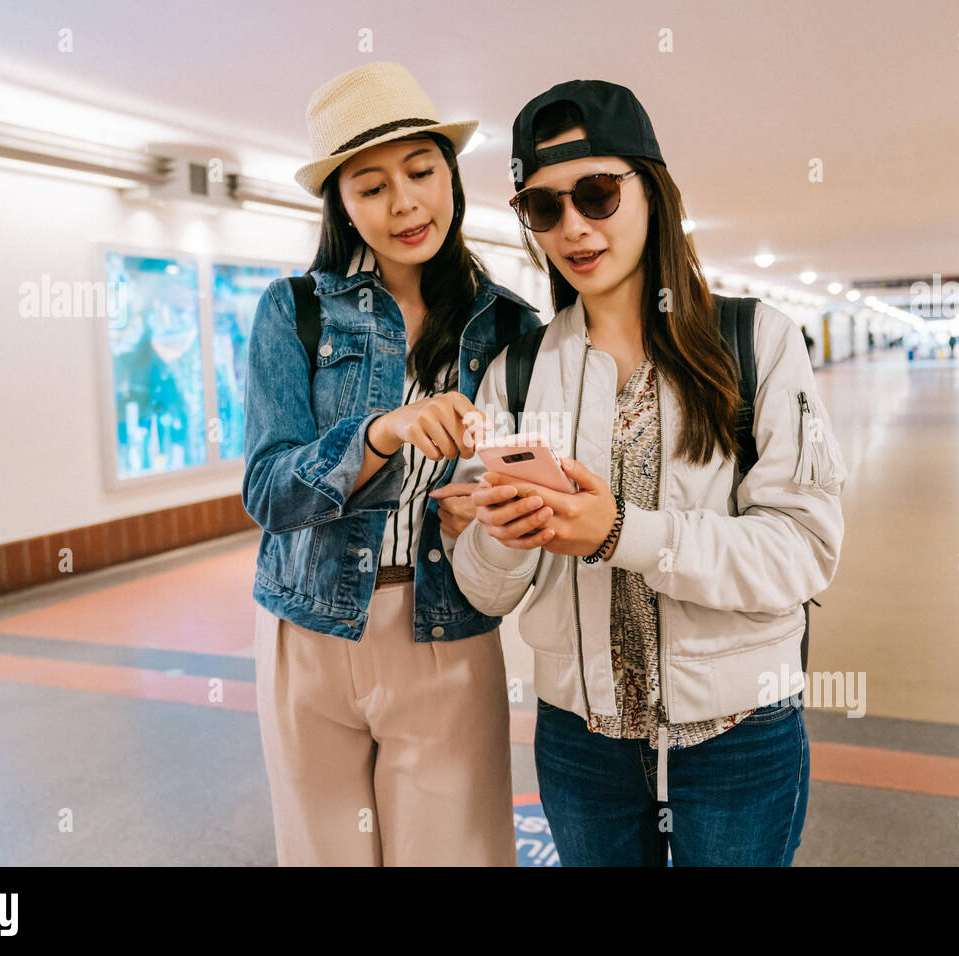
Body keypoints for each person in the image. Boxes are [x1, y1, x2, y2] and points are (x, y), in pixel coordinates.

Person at [439, 80, 847, 866]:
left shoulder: (755, 342)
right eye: (543, 208)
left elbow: (804, 551)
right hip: (581, 742)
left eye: (596, 193)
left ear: (652, 190)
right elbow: (486, 593)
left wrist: (622, 532)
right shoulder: (519, 375)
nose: (573, 227)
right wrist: (501, 537)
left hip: (738, 735)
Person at [242, 61, 542, 866]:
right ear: (341, 202)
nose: (405, 203)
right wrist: (381, 431)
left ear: (451, 174)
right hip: (306, 626)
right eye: (370, 186)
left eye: (421, 171)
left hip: (444, 626)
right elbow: (267, 491)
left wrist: (490, 505)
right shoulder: (294, 312)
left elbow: (523, 474)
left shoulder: (509, 324)